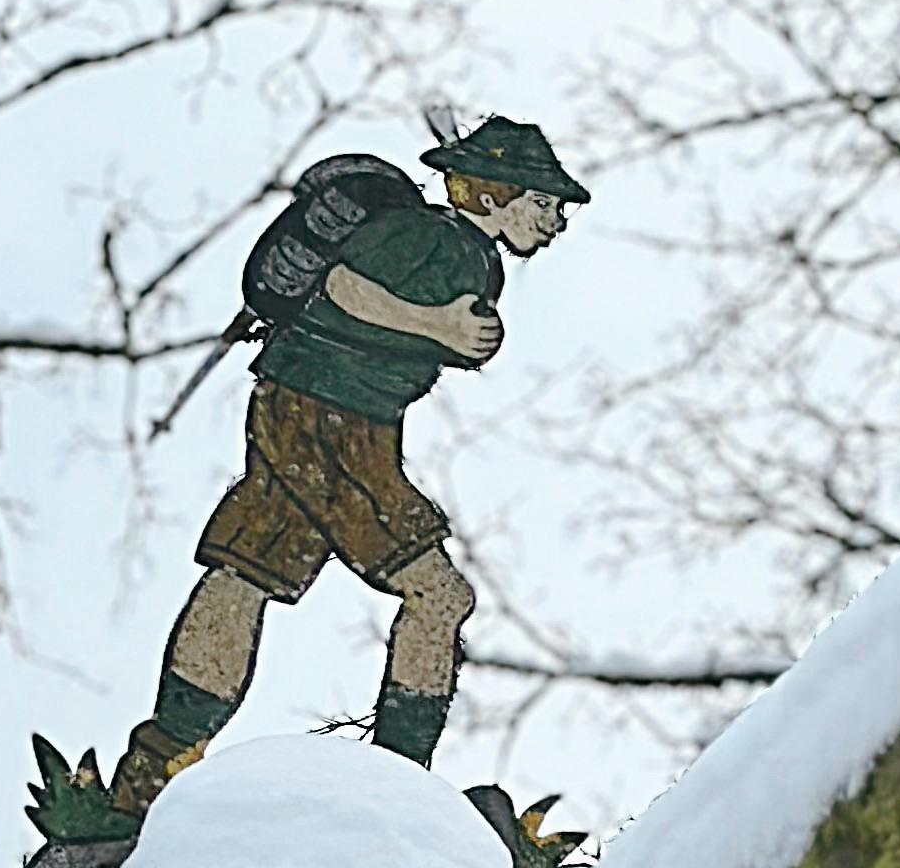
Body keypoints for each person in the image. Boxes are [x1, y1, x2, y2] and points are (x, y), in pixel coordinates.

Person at [106, 112, 590, 815]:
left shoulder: (470, 255)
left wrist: (451, 334)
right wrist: (439, 326)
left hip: (311, 413)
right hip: (334, 426)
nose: (554, 222)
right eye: (542, 203)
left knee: (243, 577)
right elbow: (339, 286)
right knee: (439, 595)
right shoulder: (429, 235)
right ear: (490, 194)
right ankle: (398, 789)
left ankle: (147, 778)